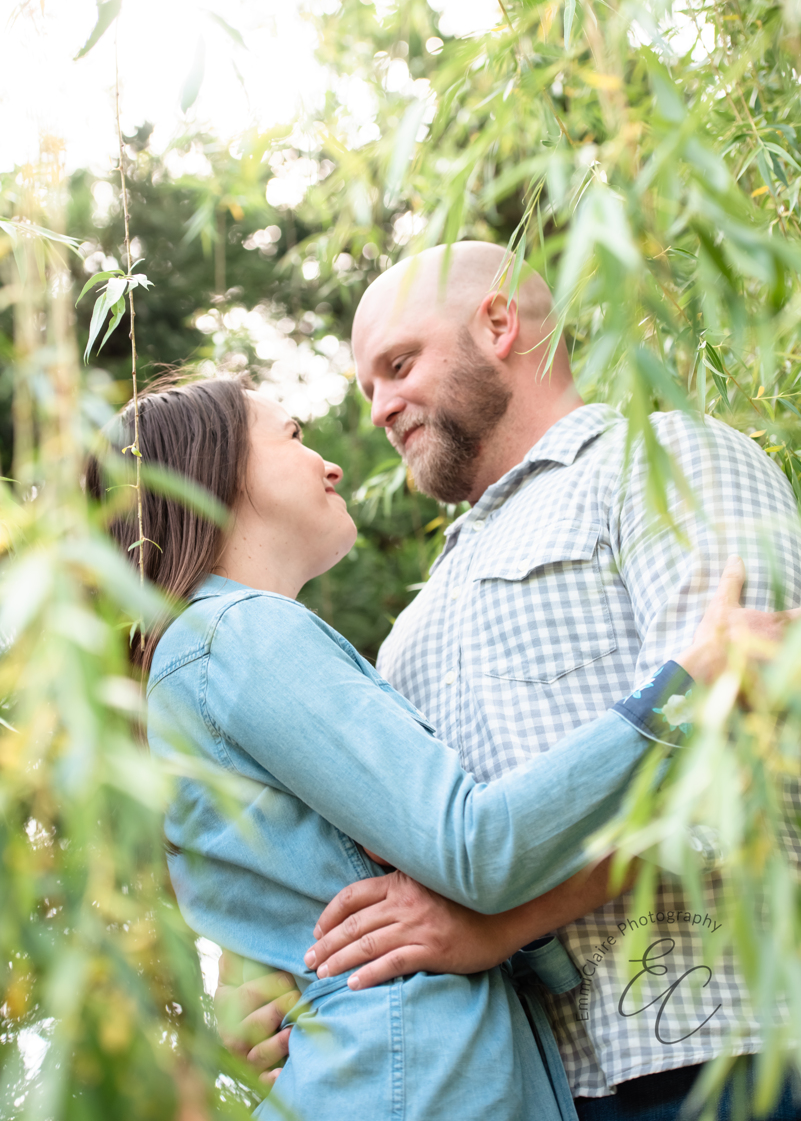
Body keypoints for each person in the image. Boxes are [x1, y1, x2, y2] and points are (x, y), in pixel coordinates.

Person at [88, 374, 783, 1121]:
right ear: (216, 470)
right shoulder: (237, 634)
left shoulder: (201, 656)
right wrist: (686, 690)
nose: (331, 463)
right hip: (415, 1068)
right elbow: (473, 849)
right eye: (292, 436)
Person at [228, 242, 801, 1119]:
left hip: (727, 1044)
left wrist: (490, 928)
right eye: (367, 387)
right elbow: (405, 869)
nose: (379, 408)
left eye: (398, 364)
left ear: (497, 324)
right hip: (530, 1086)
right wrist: (301, 985)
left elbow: (740, 770)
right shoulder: (409, 634)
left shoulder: (664, 463)